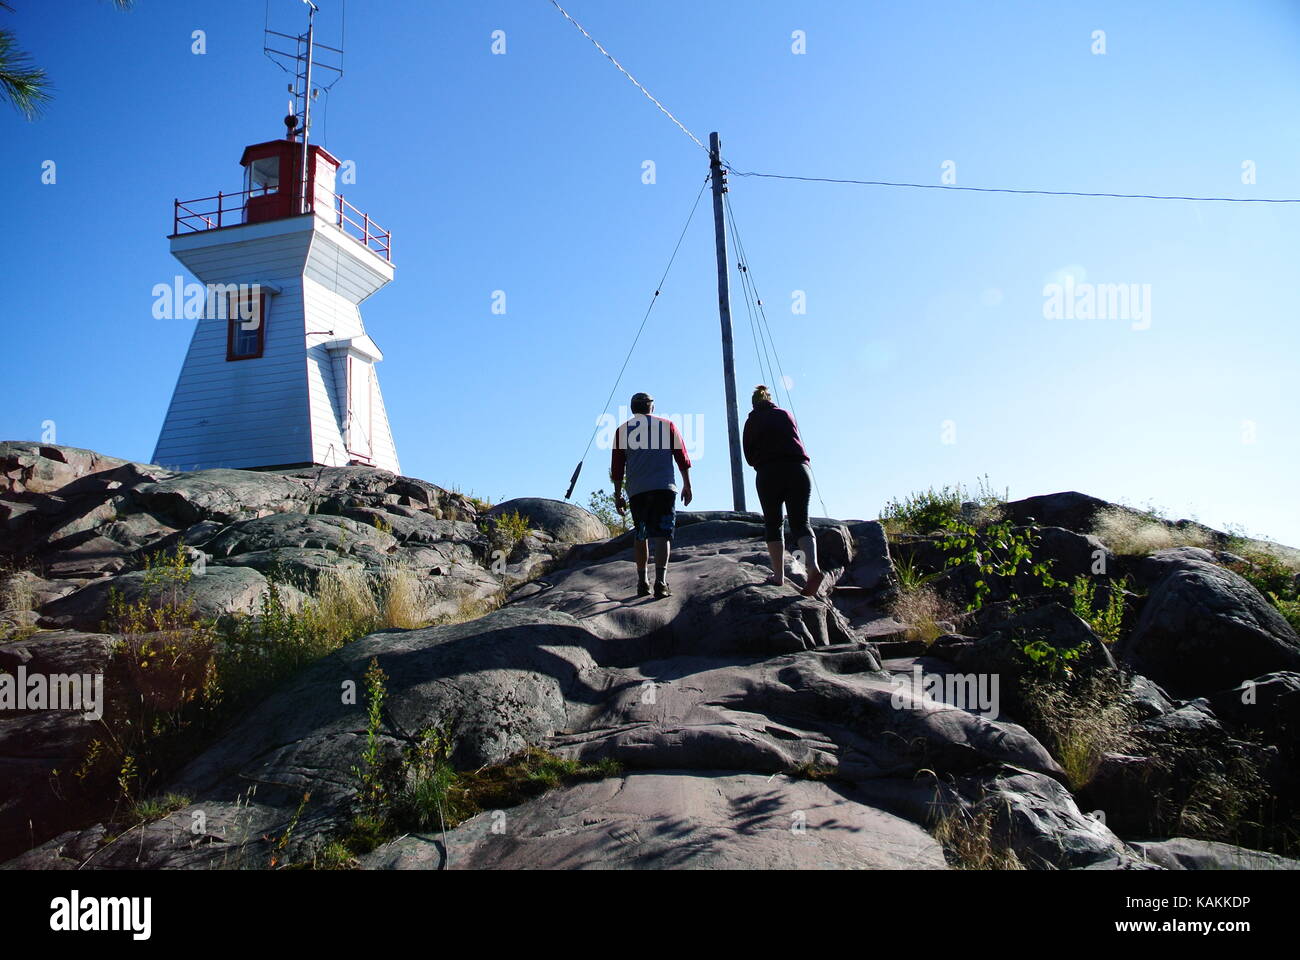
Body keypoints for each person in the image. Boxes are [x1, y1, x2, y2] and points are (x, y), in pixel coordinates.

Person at [742, 384, 823, 597]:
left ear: (754, 404)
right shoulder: (785, 414)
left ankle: (778, 576)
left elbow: (748, 455)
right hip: (798, 469)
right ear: (770, 399)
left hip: (769, 471)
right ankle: (813, 567)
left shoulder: (752, 421)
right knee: (801, 522)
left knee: (773, 522)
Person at [611, 392, 693, 598]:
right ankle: (661, 582)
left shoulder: (621, 431)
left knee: (641, 535)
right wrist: (687, 485)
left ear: (632, 408)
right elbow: (681, 457)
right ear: (651, 407)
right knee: (663, 535)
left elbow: (618, 467)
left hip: (637, 490)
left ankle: (642, 582)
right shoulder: (667, 425)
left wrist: (618, 495)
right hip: (663, 487)